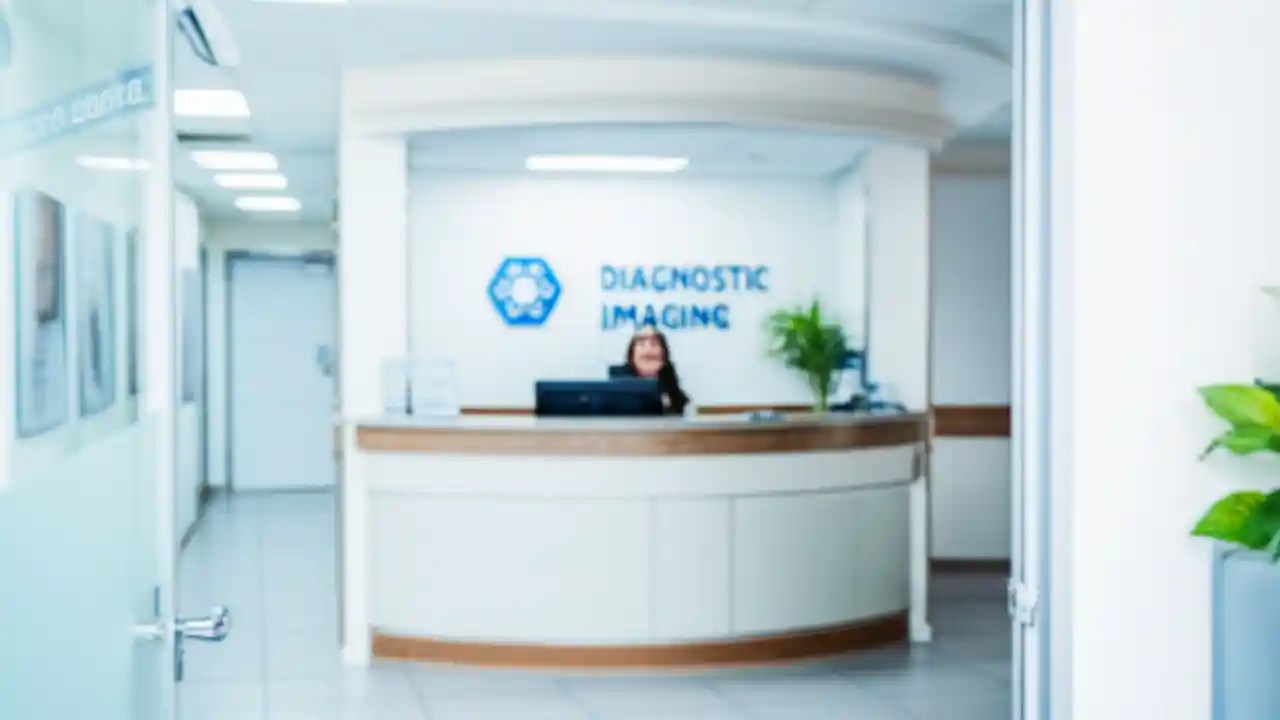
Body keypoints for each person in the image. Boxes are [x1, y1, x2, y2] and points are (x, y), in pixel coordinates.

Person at [619, 325, 690, 415]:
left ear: (664, 356)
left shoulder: (676, 396)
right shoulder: (617, 393)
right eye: (642, 344)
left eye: (654, 343)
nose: (648, 349)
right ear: (631, 355)